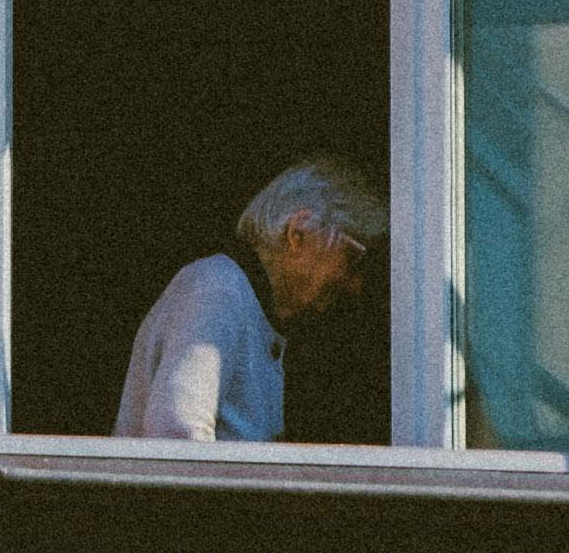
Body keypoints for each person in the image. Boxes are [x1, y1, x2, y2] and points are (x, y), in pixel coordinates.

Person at [114, 156, 388, 442]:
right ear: (298, 233)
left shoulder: (247, 303)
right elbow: (178, 436)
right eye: (353, 258)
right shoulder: (219, 287)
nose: (355, 284)